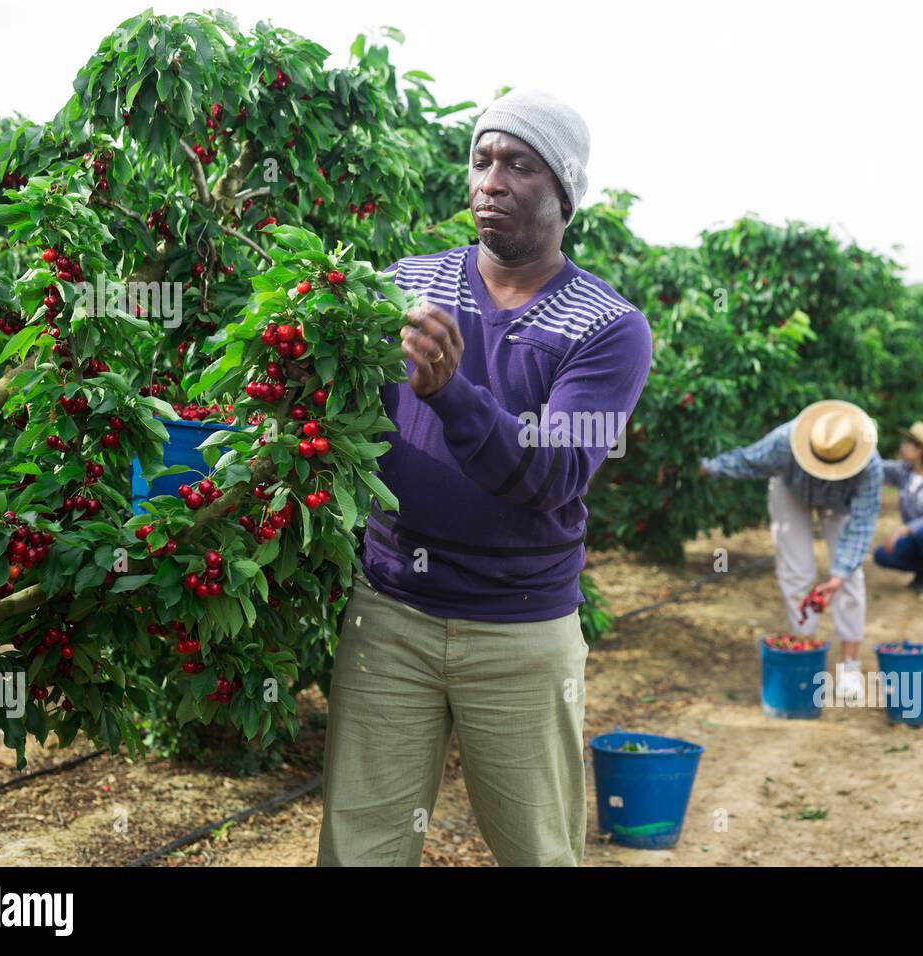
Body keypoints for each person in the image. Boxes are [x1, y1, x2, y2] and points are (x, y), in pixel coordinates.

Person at [317, 90, 653, 867]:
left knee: (536, 849)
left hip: (520, 631)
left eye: (518, 165)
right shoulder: (407, 283)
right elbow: (333, 415)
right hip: (391, 614)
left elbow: (556, 471)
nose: (490, 181)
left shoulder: (607, 327)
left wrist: (451, 393)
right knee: (360, 847)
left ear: (563, 195)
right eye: (481, 160)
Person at [700, 400, 882, 702]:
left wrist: (837, 576)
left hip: (842, 503)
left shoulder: (869, 466)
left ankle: (849, 667)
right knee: (796, 571)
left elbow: (861, 525)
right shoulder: (785, 442)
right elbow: (748, 461)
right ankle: (804, 654)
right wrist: (708, 468)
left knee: (849, 579)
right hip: (792, 490)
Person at [873, 421, 923, 596]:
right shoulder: (904, 471)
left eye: (908, 443)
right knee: (881, 555)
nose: (903, 446)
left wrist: (904, 529)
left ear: (920, 450)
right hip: (916, 541)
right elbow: (877, 469)